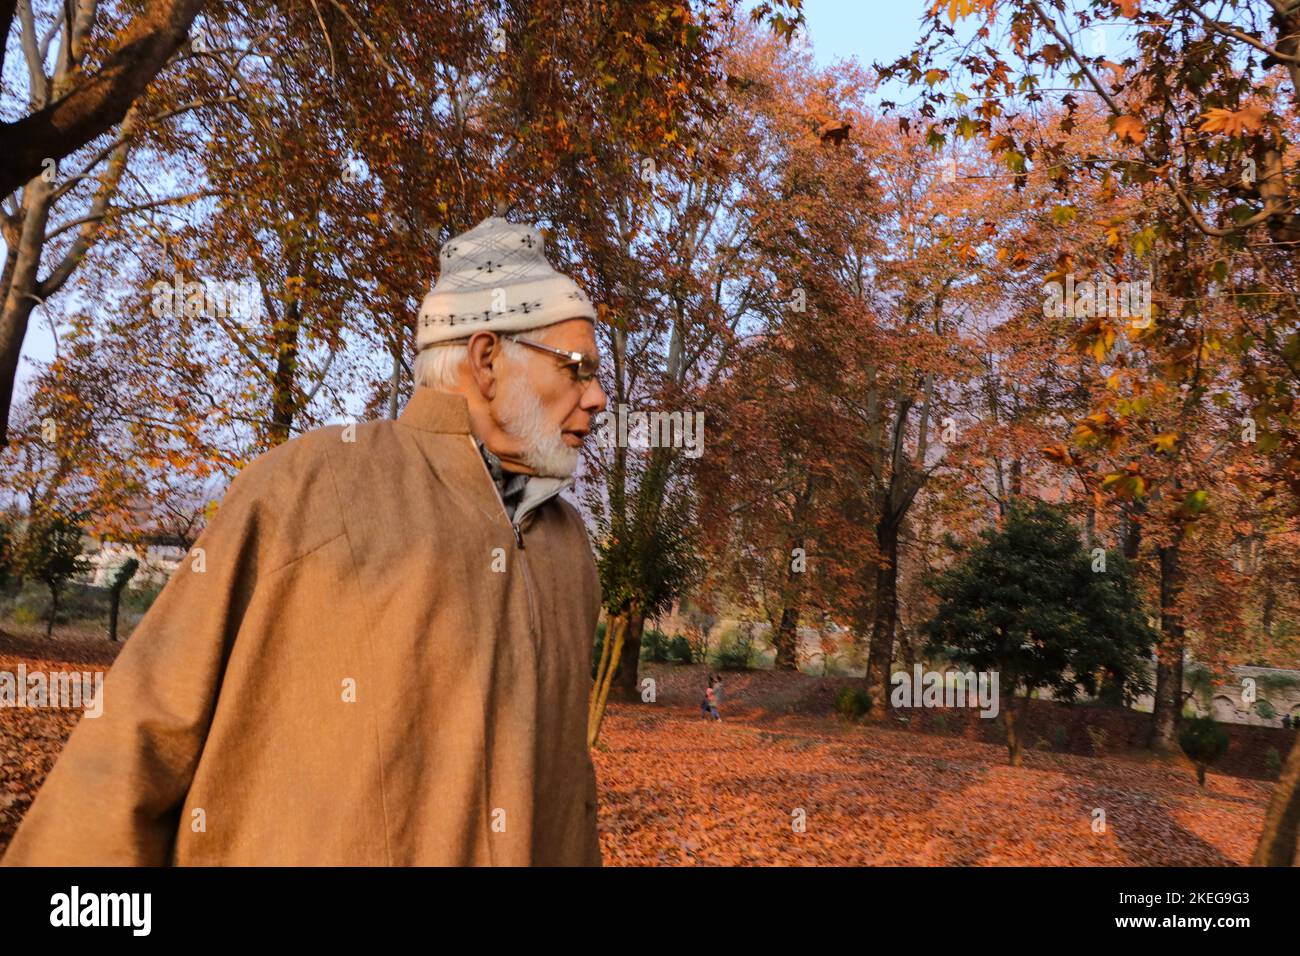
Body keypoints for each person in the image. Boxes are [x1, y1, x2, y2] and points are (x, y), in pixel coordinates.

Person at [2, 215, 608, 866]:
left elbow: (568, 793)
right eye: (577, 369)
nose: (598, 398)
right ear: (487, 359)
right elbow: (136, 737)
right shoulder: (308, 487)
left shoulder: (567, 546)